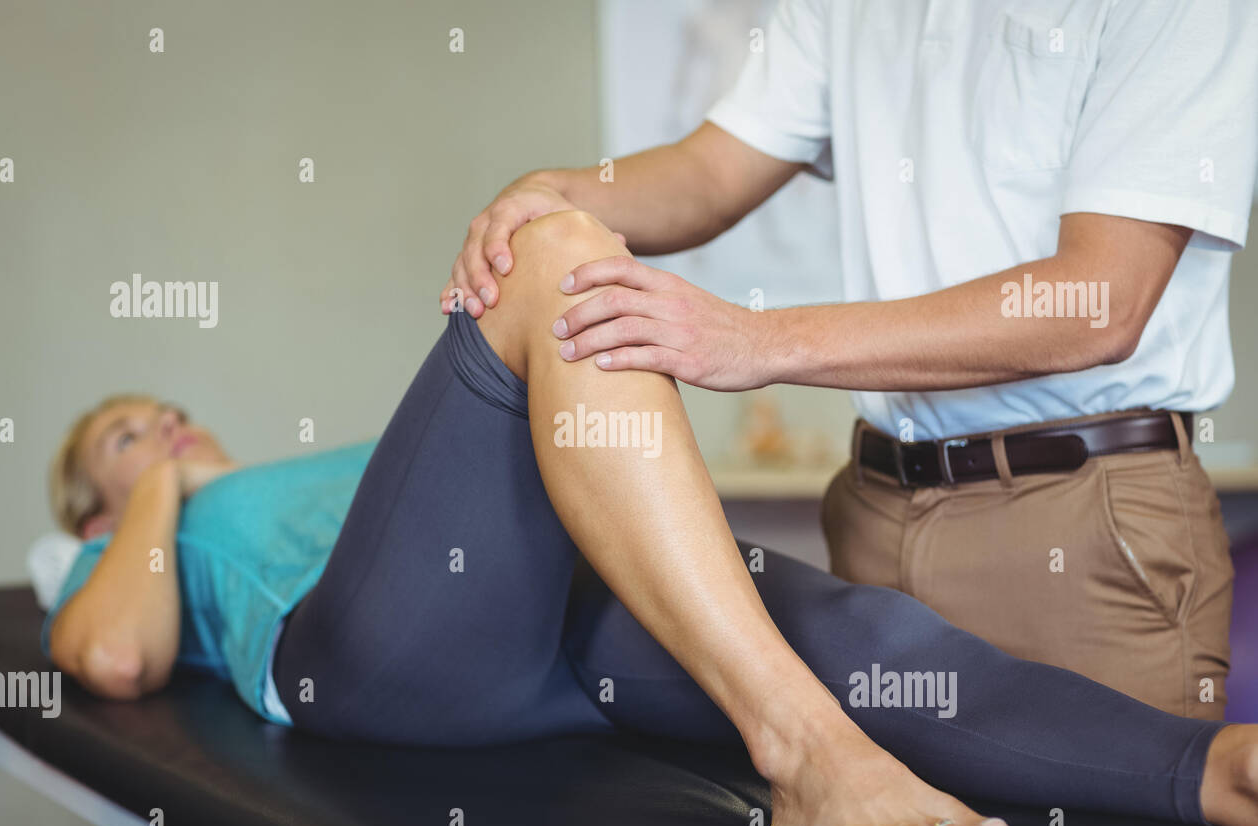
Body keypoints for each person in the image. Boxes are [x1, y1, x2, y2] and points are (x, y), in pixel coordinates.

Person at [45, 210, 1258, 826]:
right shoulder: (142, 540)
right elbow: (112, 658)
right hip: (375, 664)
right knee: (560, 255)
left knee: (841, 630)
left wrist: (149, 451)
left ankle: (1201, 766)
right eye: (122, 436)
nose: (161, 426)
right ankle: (805, 753)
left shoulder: (336, 473)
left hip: (558, 611)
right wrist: (158, 480)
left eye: (166, 416)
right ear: (95, 512)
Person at [440, 0, 1258, 721]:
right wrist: (550, 197)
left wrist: (758, 340)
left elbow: (1098, 301)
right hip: (877, 510)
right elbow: (711, 170)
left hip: (1086, 521)